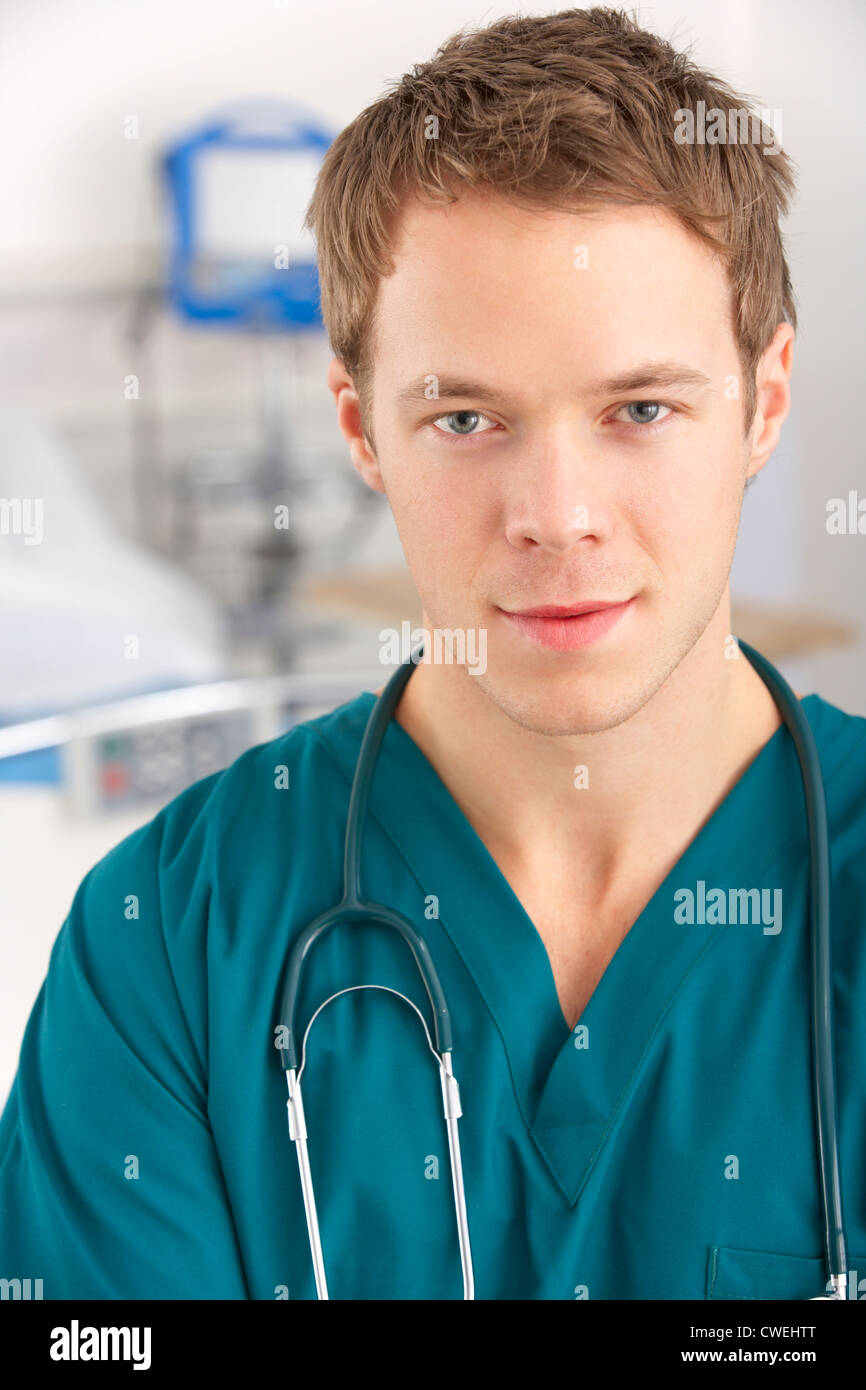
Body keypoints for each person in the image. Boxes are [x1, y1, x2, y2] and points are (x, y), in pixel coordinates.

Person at [1, 7, 865, 1301]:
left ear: (766, 400)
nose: (555, 514)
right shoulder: (169, 946)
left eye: (640, 408)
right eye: (466, 417)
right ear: (360, 426)